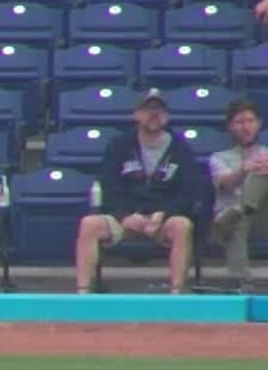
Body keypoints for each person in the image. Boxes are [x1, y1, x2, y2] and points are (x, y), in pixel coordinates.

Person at [75, 89, 209, 295]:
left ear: (167, 116)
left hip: (163, 219)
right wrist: (124, 215)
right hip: (125, 218)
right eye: (148, 109)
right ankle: (83, 292)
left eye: (159, 110)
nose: (154, 114)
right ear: (136, 114)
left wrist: (163, 213)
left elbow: (189, 192)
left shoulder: (180, 148)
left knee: (182, 226)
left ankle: (176, 292)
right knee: (89, 224)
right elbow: (108, 185)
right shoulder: (119, 145)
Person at [208, 98, 267, 292]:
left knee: (262, 174)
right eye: (240, 122)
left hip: (259, 218)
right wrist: (243, 170)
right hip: (232, 220)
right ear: (230, 127)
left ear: (259, 124)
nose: (246, 127)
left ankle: (239, 209)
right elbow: (224, 183)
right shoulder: (219, 157)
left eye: (250, 121)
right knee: (238, 222)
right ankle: (242, 281)